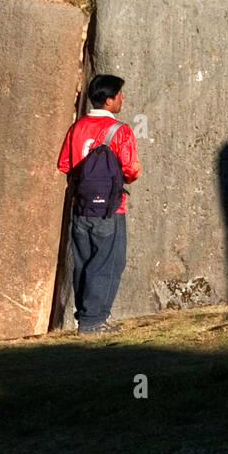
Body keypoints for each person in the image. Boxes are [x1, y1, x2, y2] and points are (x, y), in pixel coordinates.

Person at [56, 74, 141, 334]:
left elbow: (64, 165)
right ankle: (94, 322)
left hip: (81, 207)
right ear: (108, 100)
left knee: (83, 261)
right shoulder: (121, 131)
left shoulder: (77, 127)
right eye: (119, 94)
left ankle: (85, 317)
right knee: (109, 261)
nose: (122, 98)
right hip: (111, 209)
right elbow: (130, 171)